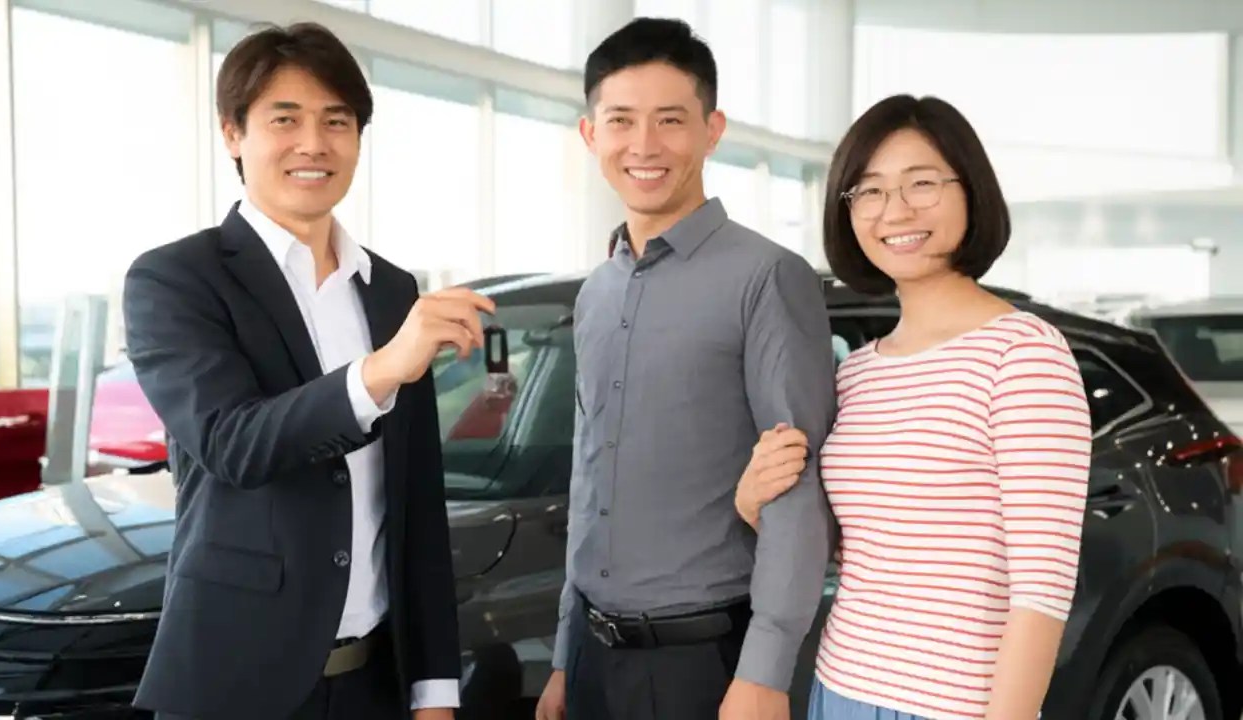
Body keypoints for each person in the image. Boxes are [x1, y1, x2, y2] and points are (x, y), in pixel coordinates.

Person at [122, 22, 492, 720]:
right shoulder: (177, 279)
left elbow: (415, 503)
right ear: (233, 133)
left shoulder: (391, 291)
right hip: (233, 688)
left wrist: (435, 691)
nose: (313, 144)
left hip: (375, 684)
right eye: (284, 119)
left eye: (337, 121)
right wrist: (380, 372)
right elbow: (234, 443)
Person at [736, 94, 1092, 720]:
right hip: (840, 687)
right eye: (868, 191)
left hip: (954, 705)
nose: (894, 210)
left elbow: (1042, 590)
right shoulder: (859, 372)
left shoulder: (1024, 355)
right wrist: (754, 501)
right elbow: (863, 551)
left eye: (921, 183)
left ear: (970, 191)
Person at [535, 17, 839, 720]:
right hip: (590, 654)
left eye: (670, 120)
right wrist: (562, 654)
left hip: (701, 664)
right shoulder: (596, 291)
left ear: (712, 129)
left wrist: (765, 670)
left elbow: (798, 480)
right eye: (621, 121)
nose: (644, 146)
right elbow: (589, 478)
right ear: (590, 135)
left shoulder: (768, 276)